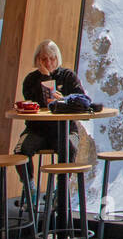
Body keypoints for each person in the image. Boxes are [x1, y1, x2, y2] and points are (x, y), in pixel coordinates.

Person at [15, 40, 86, 203]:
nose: (48, 63)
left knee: (69, 147)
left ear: (57, 58)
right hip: (37, 130)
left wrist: (66, 99)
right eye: (44, 59)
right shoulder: (31, 80)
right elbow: (34, 103)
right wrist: (46, 79)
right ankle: (29, 187)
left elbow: (82, 99)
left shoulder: (68, 77)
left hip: (66, 129)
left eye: (52, 58)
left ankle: (60, 190)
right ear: (38, 60)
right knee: (21, 150)